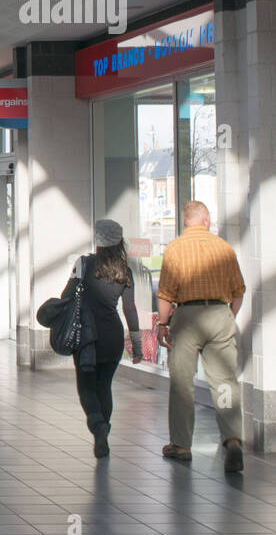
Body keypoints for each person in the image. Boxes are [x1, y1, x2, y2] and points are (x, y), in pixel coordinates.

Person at [156, 201, 246, 472]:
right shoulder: (224, 248)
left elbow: (165, 294)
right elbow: (239, 291)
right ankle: (232, 440)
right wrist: (228, 315)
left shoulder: (175, 248)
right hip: (220, 314)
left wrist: (162, 324)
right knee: (225, 383)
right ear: (206, 220)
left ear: (186, 222)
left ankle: (181, 445)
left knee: (182, 382)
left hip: (187, 317)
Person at [64, 220, 143, 458]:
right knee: (104, 386)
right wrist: (136, 347)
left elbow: (66, 295)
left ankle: (99, 428)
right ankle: (103, 432)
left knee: (86, 386)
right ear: (119, 242)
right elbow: (130, 310)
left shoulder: (84, 264)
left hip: (87, 336)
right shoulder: (124, 272)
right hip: (113, 337)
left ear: (97, 240)